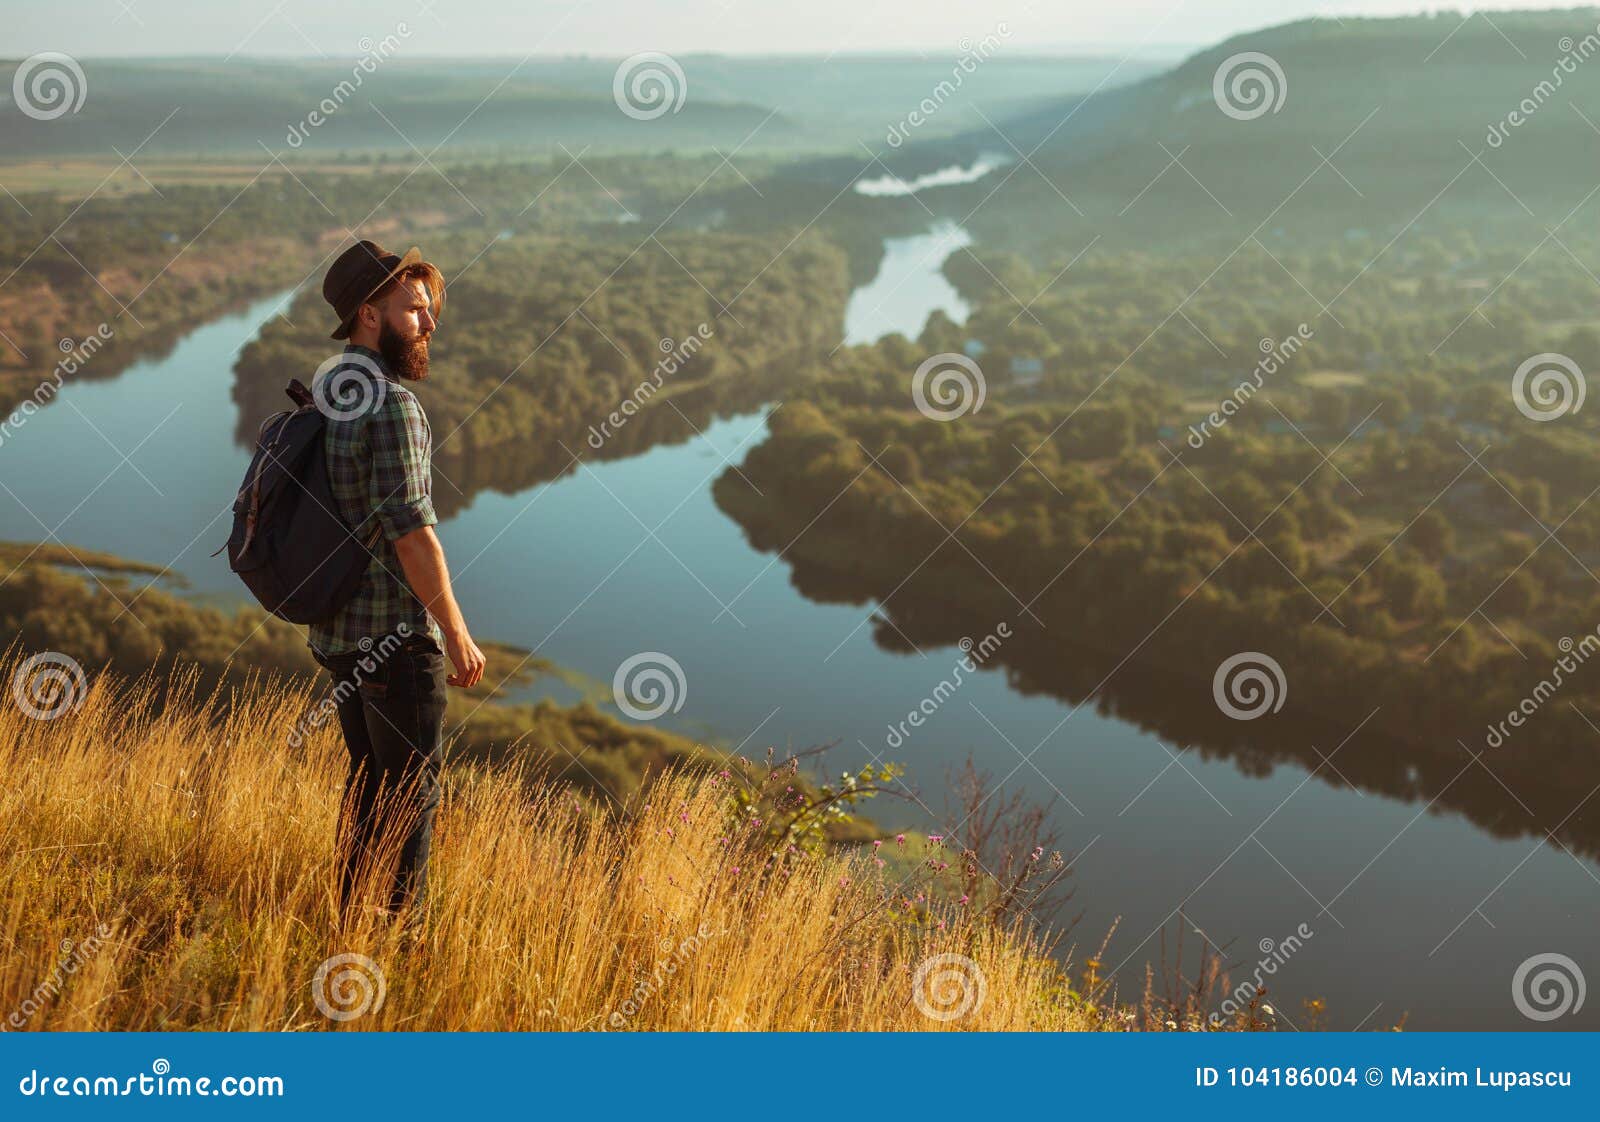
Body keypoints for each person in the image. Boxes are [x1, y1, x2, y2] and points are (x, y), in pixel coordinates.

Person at [307, 239, 486, 929]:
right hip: (397, 644)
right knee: (410, 798)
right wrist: (457, 633)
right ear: (369, 314)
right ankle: (403, 952)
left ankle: (350, 927)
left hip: (340, 638)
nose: (429, 323)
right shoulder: (393, 406)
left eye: (429, 308)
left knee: (370, 785)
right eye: (414, 310)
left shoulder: (329, 389)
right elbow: (412, 534)